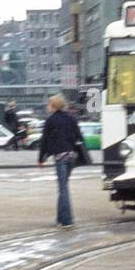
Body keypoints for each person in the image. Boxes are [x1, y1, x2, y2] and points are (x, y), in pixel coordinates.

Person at [38, 94, 86, 227]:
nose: (48, 107)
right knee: (63, 186)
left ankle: (67, 220)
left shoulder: (51, 120)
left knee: (63, 188)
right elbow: (79, 136)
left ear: (53, 106)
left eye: (49, 104)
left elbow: (44, 141)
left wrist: (41, 158)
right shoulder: (71, 118)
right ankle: (60, 218)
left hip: (60, 157)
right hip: (71, 156)